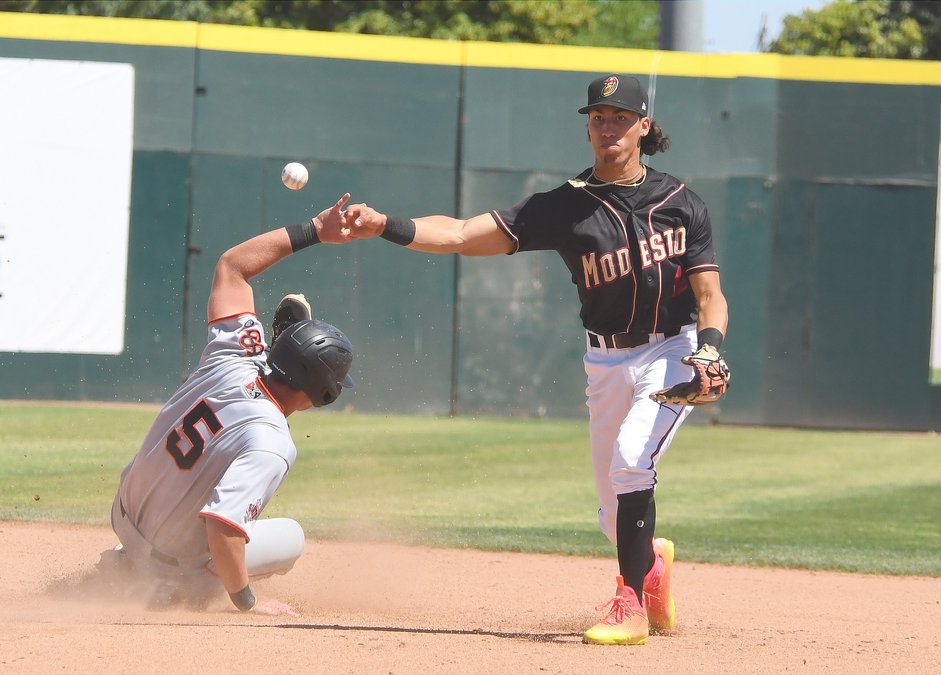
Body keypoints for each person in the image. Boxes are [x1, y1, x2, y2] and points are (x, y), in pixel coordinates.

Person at [334, 74, 730, 645]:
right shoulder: (565, 206)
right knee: (611, 513)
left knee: (629, 463)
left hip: (673, 350)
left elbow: (711, 294)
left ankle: (629, 604)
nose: (607, 127)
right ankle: (652, 570)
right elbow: (463, 235)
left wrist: (710, 349)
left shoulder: (681, 203)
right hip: (606, 362)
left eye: (619, 117)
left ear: (644, 126)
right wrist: (383, 226)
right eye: (597, 117)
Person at [106, 194, 356, 615]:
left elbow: (232, 266)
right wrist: (246, 603)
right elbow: (223, 528)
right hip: (164, 566)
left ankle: (127, 559)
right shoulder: (272, 443)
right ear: (324, 396)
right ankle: (175, 589)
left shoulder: (233, 355)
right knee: (289, 537)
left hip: (123, 513)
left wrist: (314, 229)